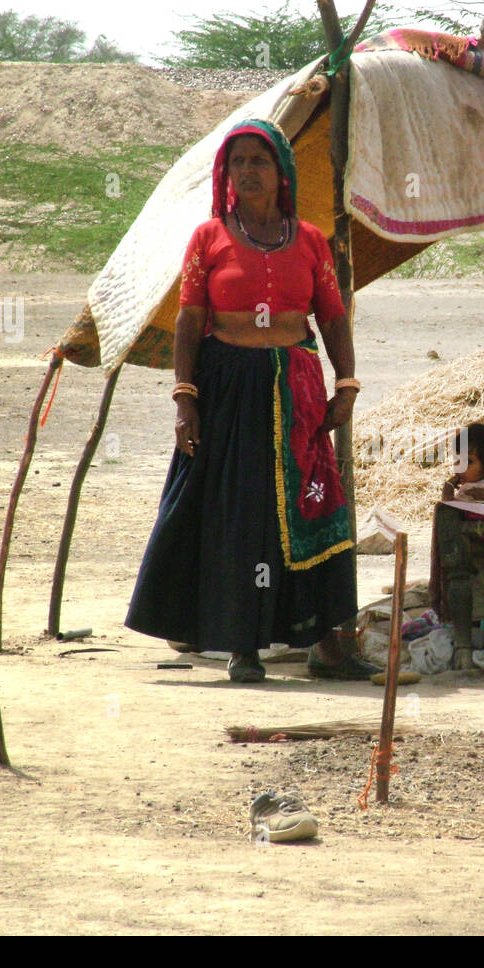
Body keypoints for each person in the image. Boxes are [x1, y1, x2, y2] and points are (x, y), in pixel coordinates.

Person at [126, 118, 371, 683]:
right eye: (237, 162)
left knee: (316, 505)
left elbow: (332, 317)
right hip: (227, 388)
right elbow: (189, 323)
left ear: (281, 171)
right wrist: (185, 399)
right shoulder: (208, 238)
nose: (247, 172)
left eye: (258, 160)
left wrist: (347, 384)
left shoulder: (310, 240)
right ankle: (243, 644)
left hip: (297, 389)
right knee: (240, 513)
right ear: (226, 173)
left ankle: (329, 643)